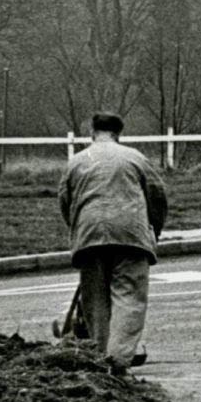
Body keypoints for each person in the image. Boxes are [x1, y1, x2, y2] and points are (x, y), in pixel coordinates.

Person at [58, 112, 169, 375]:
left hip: (89, 235)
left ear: (92, 132)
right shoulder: (135, 158)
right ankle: (117, 361)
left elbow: (65, 201)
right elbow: (157, 196)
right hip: (130, 235)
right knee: (129, 296)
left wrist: (77, 230)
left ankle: (99, 357)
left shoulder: (76, 162)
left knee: (94, 300)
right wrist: (155, 228)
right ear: (119, 134)